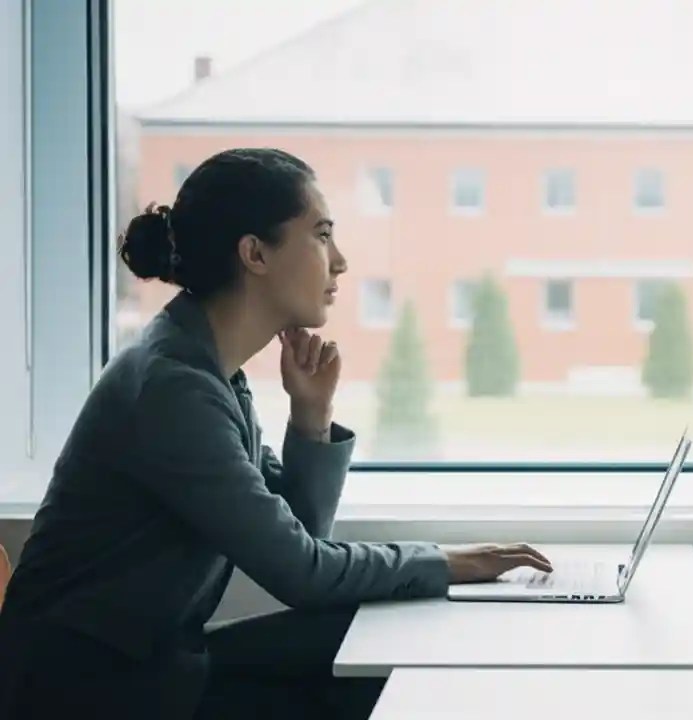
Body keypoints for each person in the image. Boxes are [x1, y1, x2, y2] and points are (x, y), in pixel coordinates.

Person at [0, 148, 553, 719]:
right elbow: (301, 572)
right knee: (373, 671)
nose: (339, 262)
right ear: (255, 253)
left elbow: (297, 539)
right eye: (321, 235)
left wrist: (310, 418)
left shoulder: (208, 368)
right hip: (93, 695)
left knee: (387, 643)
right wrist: (447, 562)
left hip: (161, 667)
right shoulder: (173, 389)